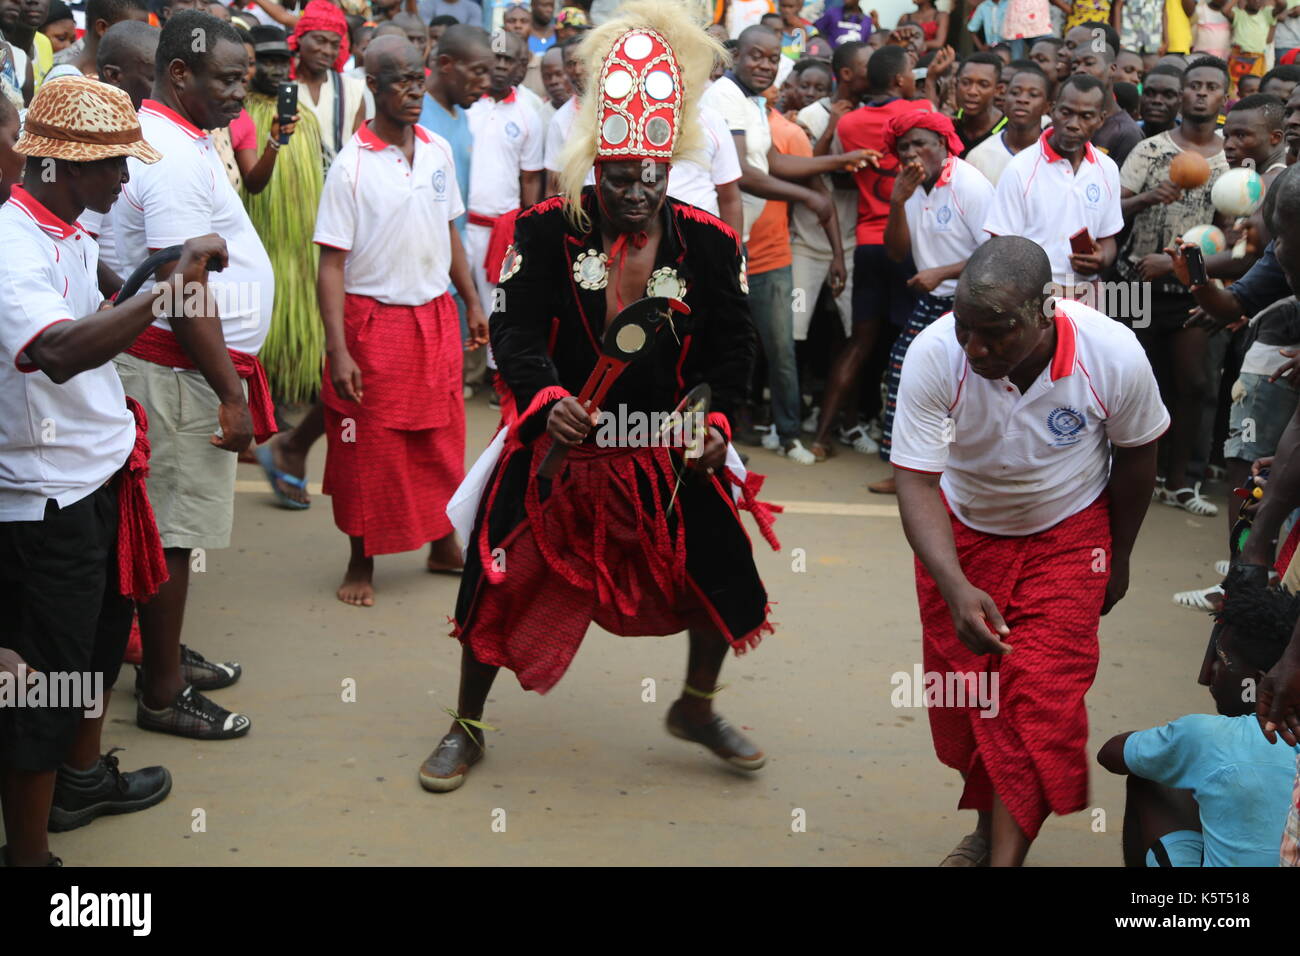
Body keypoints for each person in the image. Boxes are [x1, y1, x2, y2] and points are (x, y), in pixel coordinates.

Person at [422, 0, 780, 794]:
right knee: (497, 577)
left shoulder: (712, 244)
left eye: (651, 177)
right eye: (621, 178)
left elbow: (734, 351)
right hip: (560, 448)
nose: (637, 193)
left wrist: (717, 423)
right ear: (595, 167)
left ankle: (694, 705)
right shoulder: (546, 230)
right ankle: (467, 723)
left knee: (722, 570)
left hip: (665, 449)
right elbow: (514, 335)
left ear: (668, 167)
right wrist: (546, 397)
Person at [891, 236, 1167, 866]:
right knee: (973, 701)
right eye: (966, 329)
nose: (976, 348)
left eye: (995, 333)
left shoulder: (1113, 353)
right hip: (961, 538)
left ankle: (1001, 860)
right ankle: (990, 831)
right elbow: (915, 478)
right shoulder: (936, 354)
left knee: (1038, 698)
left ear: (1046, 309)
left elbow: (1139, 453)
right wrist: (954, 584)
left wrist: (1117, 555)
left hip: (1068, 538)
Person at [0, 75, 198, 866]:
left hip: (95, 480)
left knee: (90, 653)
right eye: (112, 165)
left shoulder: (71, 231)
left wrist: (160, 271)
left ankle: (80, 781)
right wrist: (161, 297)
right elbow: (54, 351)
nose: (124, 180)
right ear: (57, 166)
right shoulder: (13, 247)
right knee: (39, 691)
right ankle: (29, 859)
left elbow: (99, 308)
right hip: (44, 506)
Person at [110, 9, 274, 739]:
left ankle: (164, 657)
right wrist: (230, 393)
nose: (243, 91)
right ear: (180, 74)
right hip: (178, 375)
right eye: (228, 78)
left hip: (188, 372)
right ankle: (161, 692)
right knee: (171, 533)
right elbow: (183, 291)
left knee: (175, 528)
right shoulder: (171, 157)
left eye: (245, 76)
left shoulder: (185, 137)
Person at [313, 35, 487, 606]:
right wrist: (338, 349)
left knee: (441, 439)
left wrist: (473, 302)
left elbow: (452, 234)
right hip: (374, 323)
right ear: (375, 87)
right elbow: (331, 265)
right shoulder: (350, 167)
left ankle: (441, 544)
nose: (413, 92)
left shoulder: (436, 149)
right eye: (399, 83)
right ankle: (361, 563)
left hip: (435, 318)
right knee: (371, 447)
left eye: (419, 79)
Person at [1097, 580, 1300, 866]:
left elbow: (1110, 755)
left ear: (1258, 681)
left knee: (1154, 773)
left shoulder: (1210, 736)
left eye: (1220, 660)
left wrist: (1178, 743)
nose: (1206, 675)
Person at [1116, 56, 1229, 517]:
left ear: (1224, 98)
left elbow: (1232, 233)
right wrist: (1148, 197)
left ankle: (1179, 482)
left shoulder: (1230, 161)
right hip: (1134, 282)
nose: (1201, 93)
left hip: (1193, 287)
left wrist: (1182, 263)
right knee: (1132, 383)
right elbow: (1111, 212)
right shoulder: (1149, 150)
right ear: (1182, 94)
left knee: (1194, 383)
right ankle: (1127, 477)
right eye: (1194, 85)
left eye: (1211, 87)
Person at [811, 43, 933, 462]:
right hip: (909, 242)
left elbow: (844, 178)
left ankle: (821, 436)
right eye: (913, 72)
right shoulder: (918, 118)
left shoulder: (850, 123)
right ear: (900, 80)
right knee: (912, 346)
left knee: (859, 344)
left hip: (867, 242)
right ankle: (902, 447)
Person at [875, 110, 993, 493]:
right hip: (934, 301)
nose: (912, 153)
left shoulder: (969, 184)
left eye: (921, 143)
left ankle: (958, 472)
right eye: (904, 146)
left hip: (972, 301)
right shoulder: (910, 186)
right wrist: (896, 202)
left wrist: (940, 272)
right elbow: (895, 253)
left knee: (969, 385)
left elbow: (995, 252)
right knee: (902, 369)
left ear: (943, 145)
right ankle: (905, 469)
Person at [238, 24, 325, 412]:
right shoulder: (239, 115)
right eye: (267, 62)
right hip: (261, 238)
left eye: (282, 62)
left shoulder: (306, 118)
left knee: (301, 312)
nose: (275, 71)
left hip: (302, 241)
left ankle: (295, 387)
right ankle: (263, 395)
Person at [984, 74, 1123, 290]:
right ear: (1053, 110)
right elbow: (1001, 244)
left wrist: (1102, 258)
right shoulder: (1020, 169)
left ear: (1101, 120)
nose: (1073, 125)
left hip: (1088, 292)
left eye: (1086, 116)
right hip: (1032, 293)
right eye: (1066, 113)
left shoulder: (1107, 169)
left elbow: (1108, 237)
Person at [792, 39, 867, 351]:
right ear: (848, 73)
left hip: (850, 243)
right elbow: (807, 171)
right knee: (794, 326)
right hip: (806, 244)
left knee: (851, 329)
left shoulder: (871, 115)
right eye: (867, 66)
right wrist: (832, 128)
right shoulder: (810, 116)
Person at [465, 28, 542, 316]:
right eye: (495, 57)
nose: (499, 65)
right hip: (459, 225)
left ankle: (493, 362)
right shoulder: (465, 102)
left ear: (519, 65)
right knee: (455, 303)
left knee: (498, 308)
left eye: (507, 59)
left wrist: (525, 228)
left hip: (500, 228)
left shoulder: (528, 113)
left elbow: (531, 178)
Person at [291, 0, 367, 168]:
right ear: (300, 37)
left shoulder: (352, 90)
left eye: (334, 44)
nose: (327, 50)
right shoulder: (284, 86)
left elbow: (359, 153)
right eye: (320, 40)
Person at [1068, 24, 1144, 166]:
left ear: (1112, 69)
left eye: (1089, 63)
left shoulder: (1126, 133)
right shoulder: (1064, 122)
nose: (1080, 70)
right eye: (1074, 66)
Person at [965, 61, 1050, 183]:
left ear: (1047, 107)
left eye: (1033, 94)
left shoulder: (1058, 154)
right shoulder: (979, 156)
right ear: (1004, 99)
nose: (1022, 99)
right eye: (1015, 93)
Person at [953, 51, 1006, 154]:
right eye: (966, 83)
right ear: (956, 84)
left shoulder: (1008, 131)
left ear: (998, 90)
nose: (972, 91)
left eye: (983, 85)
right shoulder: (948, 126)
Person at [1229, 0, 1286, 93]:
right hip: (1239, 59)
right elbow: (1225, 10)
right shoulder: (1239, 14)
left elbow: (1283, 4)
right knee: (1235, 89)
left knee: (1256, 89)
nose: (1257, 1)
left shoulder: (1266, 14)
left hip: (1257, 60)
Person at [1139, 62, 1184, 134]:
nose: (1157, 100)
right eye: (1149, 93)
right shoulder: (1124, 133)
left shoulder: (1194, 139)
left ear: (1181, 99)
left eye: (1168, 95)